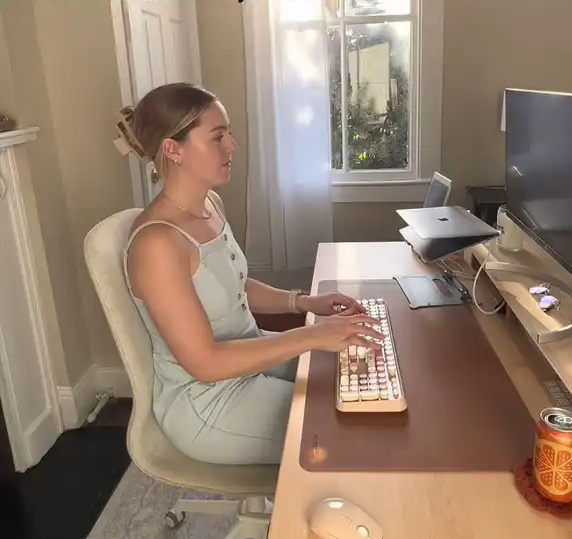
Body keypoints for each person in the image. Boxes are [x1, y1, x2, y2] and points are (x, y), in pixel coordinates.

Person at [117, 82, 381, 465]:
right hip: (209, 399)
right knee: (346, 428)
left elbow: (234, 284)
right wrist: (312, 334)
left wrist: (303, 302)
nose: (232, 147)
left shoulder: (210, 204)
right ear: (173, 149)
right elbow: (205, 363)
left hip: (249, 354)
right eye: (217, 137)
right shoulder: (157, 244)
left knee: (350, 372)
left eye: (229, 135)